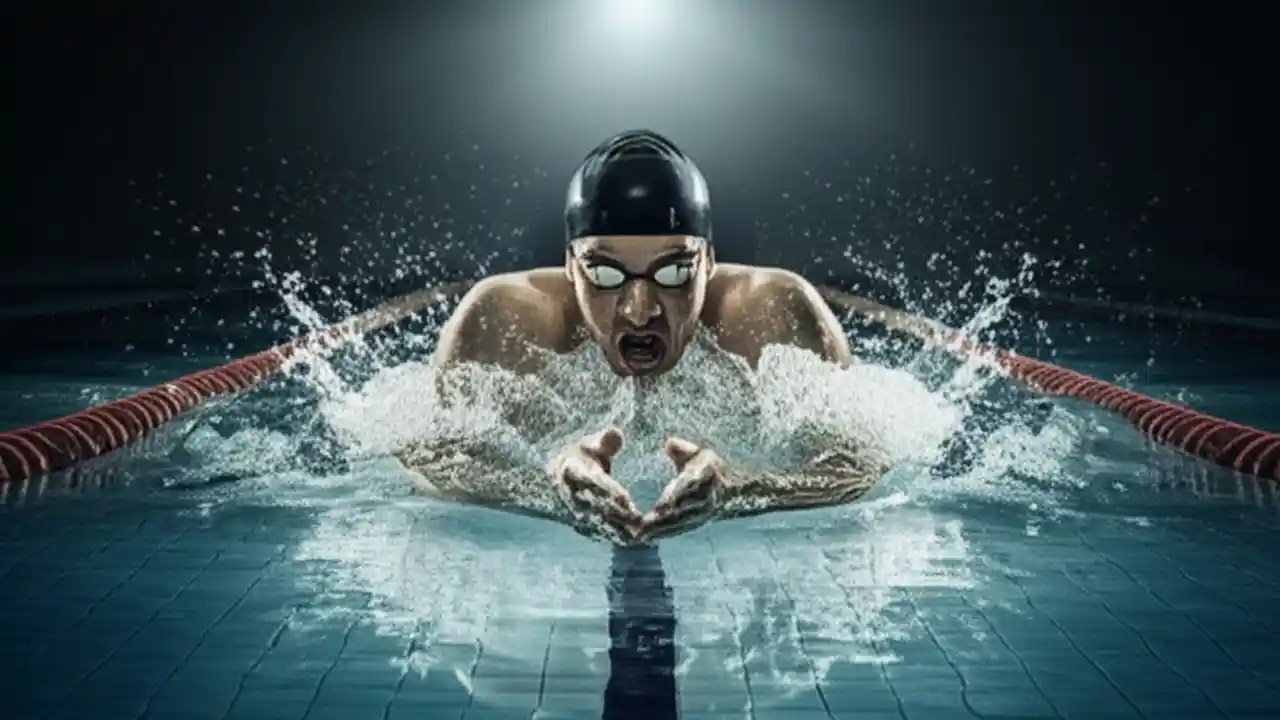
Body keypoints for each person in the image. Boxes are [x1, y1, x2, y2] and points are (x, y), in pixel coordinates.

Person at [395, 129, 889, 544]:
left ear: (709, 263)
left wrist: (742, 485)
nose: (639, 312)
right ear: (570, 266)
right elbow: (430, 464)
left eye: (673, 272)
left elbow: (858, 465)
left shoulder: (773, 315)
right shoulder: (503, 320)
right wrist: (543, 485)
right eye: (606, 275)